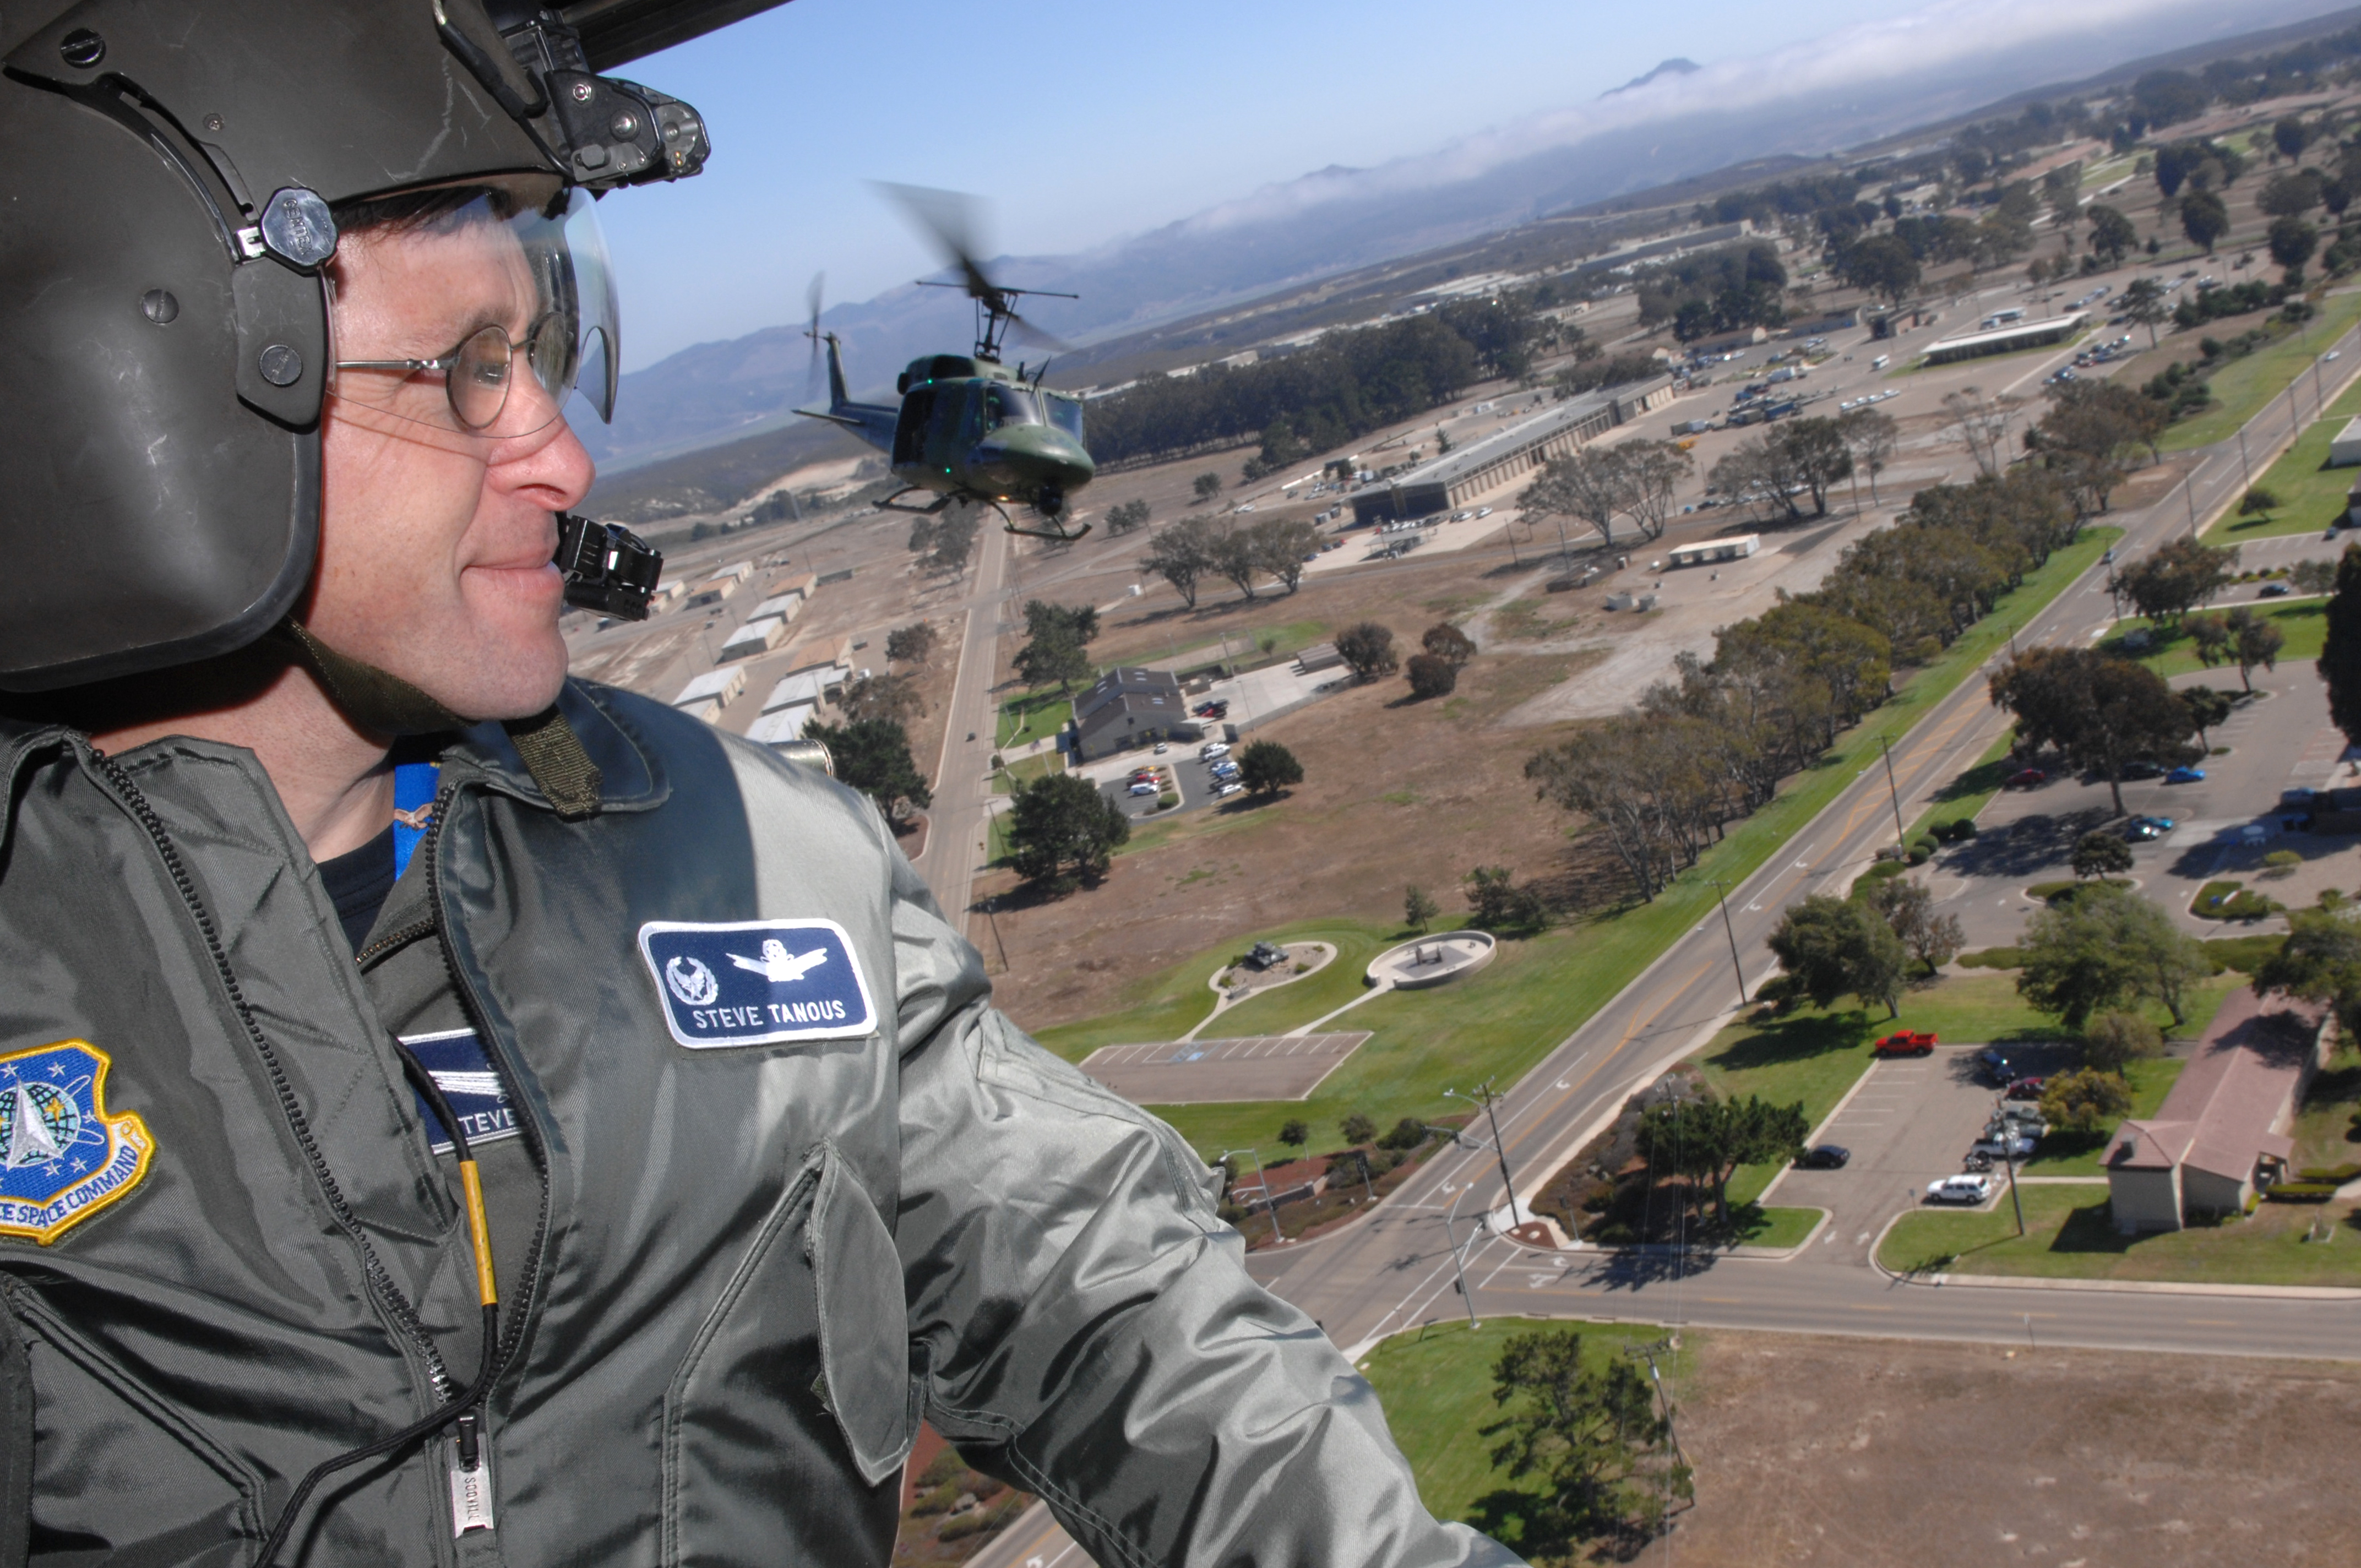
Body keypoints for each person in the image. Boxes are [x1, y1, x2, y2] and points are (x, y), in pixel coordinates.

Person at [0, 5, 1516, 1565]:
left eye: (542, 356)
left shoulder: (753, 853)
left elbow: (1115, 1303)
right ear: (143, 403)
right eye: (465, 371)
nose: (563, 460)